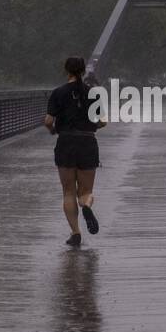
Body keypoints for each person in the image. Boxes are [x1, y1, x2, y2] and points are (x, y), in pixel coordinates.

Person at [45, 56, 106, 246]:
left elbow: (48, 121)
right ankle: (86, 205)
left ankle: (76, 233)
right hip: (87, 142)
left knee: (68, 192)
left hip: (66, 143)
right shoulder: (93, 93)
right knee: (86, 191)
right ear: (83, 71)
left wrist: (54, 131)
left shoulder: (58, 93)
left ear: (67, 70)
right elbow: (103, 121)